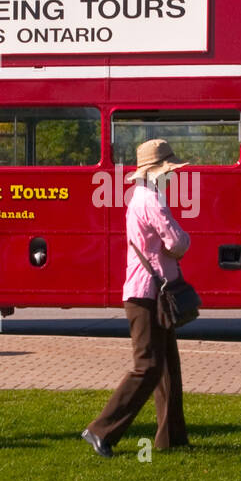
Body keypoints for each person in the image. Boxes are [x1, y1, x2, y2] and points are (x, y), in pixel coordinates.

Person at [82, 139, 191, 457]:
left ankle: (171, 438)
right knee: (148, 367)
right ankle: (101, 430)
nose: (173, 175)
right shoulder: (152, 201)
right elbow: (179, 242)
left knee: (168, 367)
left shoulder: (141, 198)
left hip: (150, 293)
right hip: (147, 295)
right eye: (169, 170)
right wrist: (178, 243)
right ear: (157, 172)